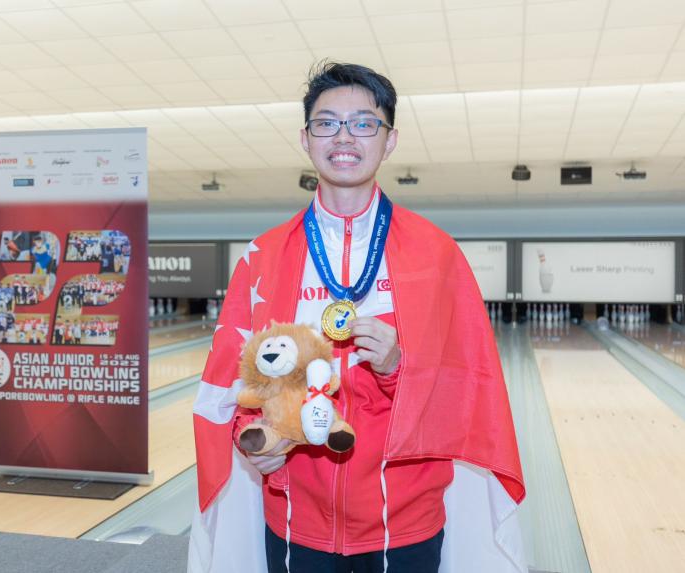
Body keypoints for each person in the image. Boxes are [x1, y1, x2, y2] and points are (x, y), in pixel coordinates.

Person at [188, 62, 525, 573]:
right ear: (306, 137)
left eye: (364, 123)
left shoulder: (436, 255)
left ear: (389, 140)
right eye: (327, 122)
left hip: (406, 521)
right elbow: (232, 382)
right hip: (296, 517)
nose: (344, 136)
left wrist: (396, 368)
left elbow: (468, 391)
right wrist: (252, 440)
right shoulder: (265, 256)